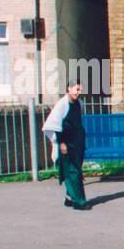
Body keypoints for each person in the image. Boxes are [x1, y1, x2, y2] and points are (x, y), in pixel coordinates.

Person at [42, 81, 89, 210]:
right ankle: (79, 201)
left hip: (77, 141)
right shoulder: (62, 105)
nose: (79, 92)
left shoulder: (79, 103)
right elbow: (55, 125)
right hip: (66, 143)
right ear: (69, 88)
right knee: (72, 171)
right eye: (77, 89)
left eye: (80, 90)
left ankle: (69, 198)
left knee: (75, 170)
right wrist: (61, 143)